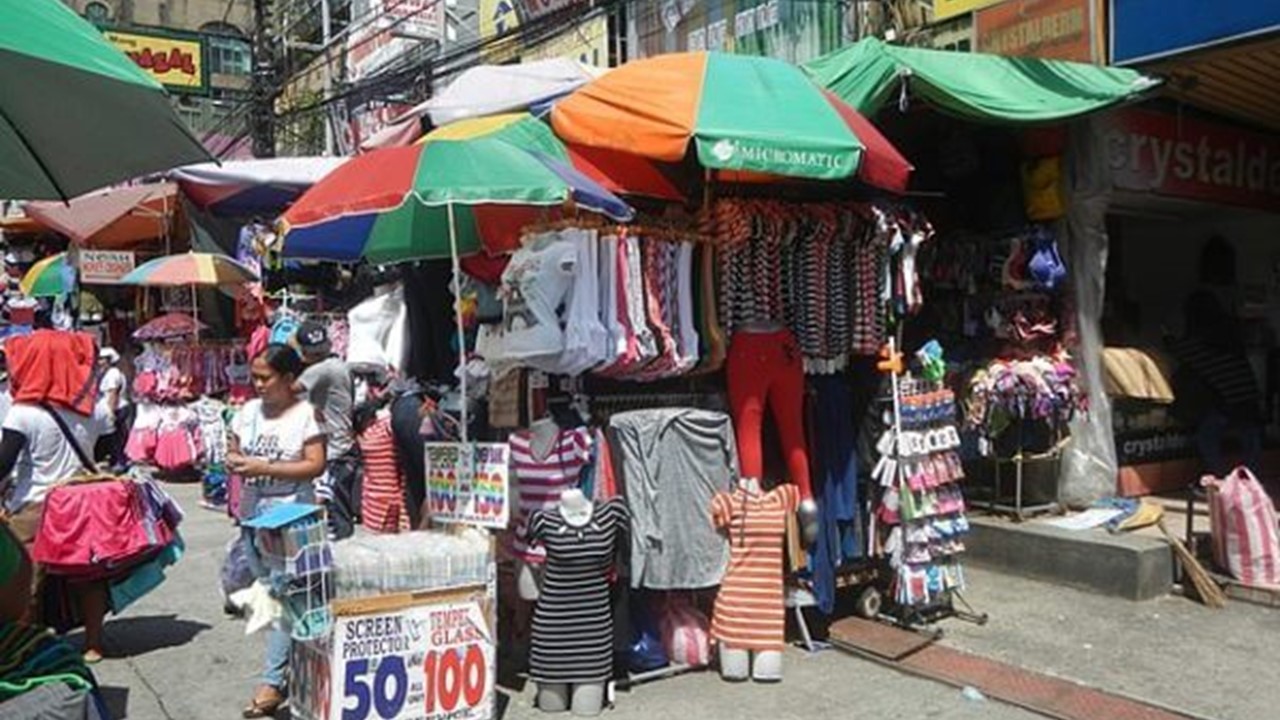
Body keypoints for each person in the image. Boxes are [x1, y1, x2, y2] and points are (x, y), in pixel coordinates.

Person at [0, 331, 113, 663]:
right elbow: (106, 452)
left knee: (25, 581)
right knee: (87, 578)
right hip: (82, 503)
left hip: (35, 506)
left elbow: (3, 464)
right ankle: (93, 643)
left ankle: (25, 645)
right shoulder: (95, 410)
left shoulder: (23, 414)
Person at [227, 344, 326, 718]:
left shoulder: (305, 416)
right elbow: (234, 448)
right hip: (254, 515)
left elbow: (315, 465)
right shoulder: (248, 411)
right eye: (255, 377)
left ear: (288, 379)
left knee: (286, 596)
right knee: (273, 594)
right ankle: (296, 667)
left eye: (265, 378)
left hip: (292, 515)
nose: (258, 384)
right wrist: (236, 462)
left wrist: (264, 465)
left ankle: (272, 683)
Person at [294, 321, 358, 538]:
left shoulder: (319, 371)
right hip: (342, 445)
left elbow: (287, 393)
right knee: (340, 509)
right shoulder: (341, 366)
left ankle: (341, 558)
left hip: (332, 451)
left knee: (333, 513)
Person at [93, 348, 131, 471]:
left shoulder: (113, 373)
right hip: (111, 407)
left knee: (116, 438)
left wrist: (111, 411)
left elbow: (113, 393)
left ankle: (120, 461)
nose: (100, 362)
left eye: (102, 359)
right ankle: (115, 460)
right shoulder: (106, 373)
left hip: (117, 408)